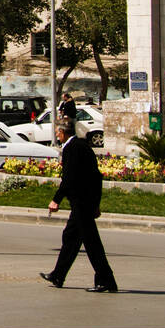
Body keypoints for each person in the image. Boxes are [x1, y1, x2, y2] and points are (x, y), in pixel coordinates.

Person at [41, 120, 117, 292]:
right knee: (71, 237)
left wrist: (56, 200)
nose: (57, 135)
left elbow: (69, 178)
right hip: (86, 202)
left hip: (81, 202)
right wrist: (96, 203)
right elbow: (96, 177)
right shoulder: (82, 146)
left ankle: (106, 281)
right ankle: (58, 275)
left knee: (91, 243)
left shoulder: (72, 148)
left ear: (62, 132)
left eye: (57, 132)